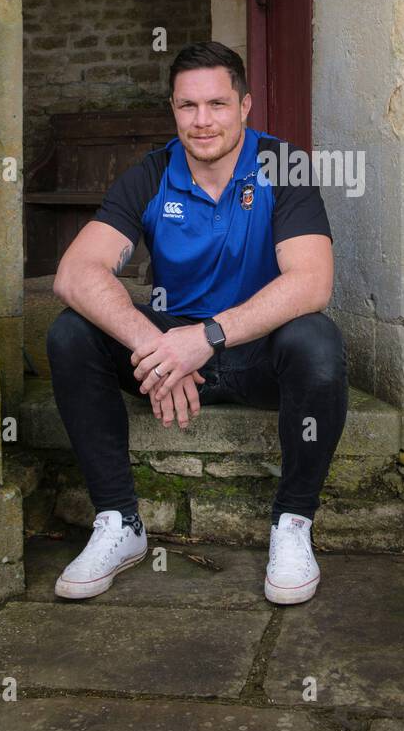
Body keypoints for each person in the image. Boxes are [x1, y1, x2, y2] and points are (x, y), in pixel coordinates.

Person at [45, 41, 348, 606]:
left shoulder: (285, 166)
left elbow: (313, 282)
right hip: (169, 356)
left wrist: (206, 338)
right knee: (69, 331)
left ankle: (293, 523)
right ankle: (119, 523)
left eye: (216, 104)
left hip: (254, 354)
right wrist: (160, 347)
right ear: (173, 110)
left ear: (245, 106)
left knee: (317, 341)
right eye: (188, 107)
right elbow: (75, 273)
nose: (202, 121)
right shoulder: (153, 172)